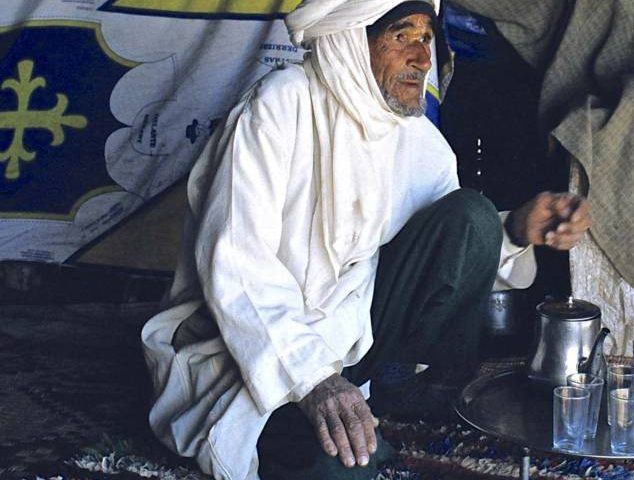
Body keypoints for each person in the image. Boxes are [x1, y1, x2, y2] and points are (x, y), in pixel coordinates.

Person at [140, 1, 591, 479]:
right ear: (352, 43)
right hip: (254, 353)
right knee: (346, 467)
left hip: (349, 337)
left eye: (427, 38)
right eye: (403, 37)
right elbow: (234, 265)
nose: (422, 58)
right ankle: (332, 417)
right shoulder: (279, 106)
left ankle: (421, 388)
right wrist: (315, 379)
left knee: (473, 215)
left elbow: (455, 243)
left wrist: (516, 229)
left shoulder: (413, 136)